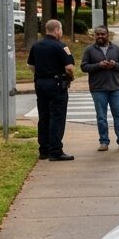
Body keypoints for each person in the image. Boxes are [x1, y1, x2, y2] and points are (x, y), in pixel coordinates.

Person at [27, 19, 75, 161]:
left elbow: (30, 65)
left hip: (40, 83)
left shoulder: (36, 46)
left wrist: (42, 74)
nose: (61, 33)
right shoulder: (60, 46)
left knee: (44, 116)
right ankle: (56, 151)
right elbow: (69, 67)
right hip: (56, 84)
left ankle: (44, 150)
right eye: (60, 30)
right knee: (57, 117)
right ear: (57, 30)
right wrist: (70, 77)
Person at [80, 25, 119, 152]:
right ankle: (104, 141)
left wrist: (115, 65)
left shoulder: (117, 49)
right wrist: (99, 65)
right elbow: (84, 67)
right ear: (94, 35)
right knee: (101, 117)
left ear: (108, 35)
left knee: (118, 115)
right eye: (97, 34)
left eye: (103, 34)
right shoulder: (89, 50)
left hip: (115, 88)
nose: (100, 36)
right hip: (98, 88)